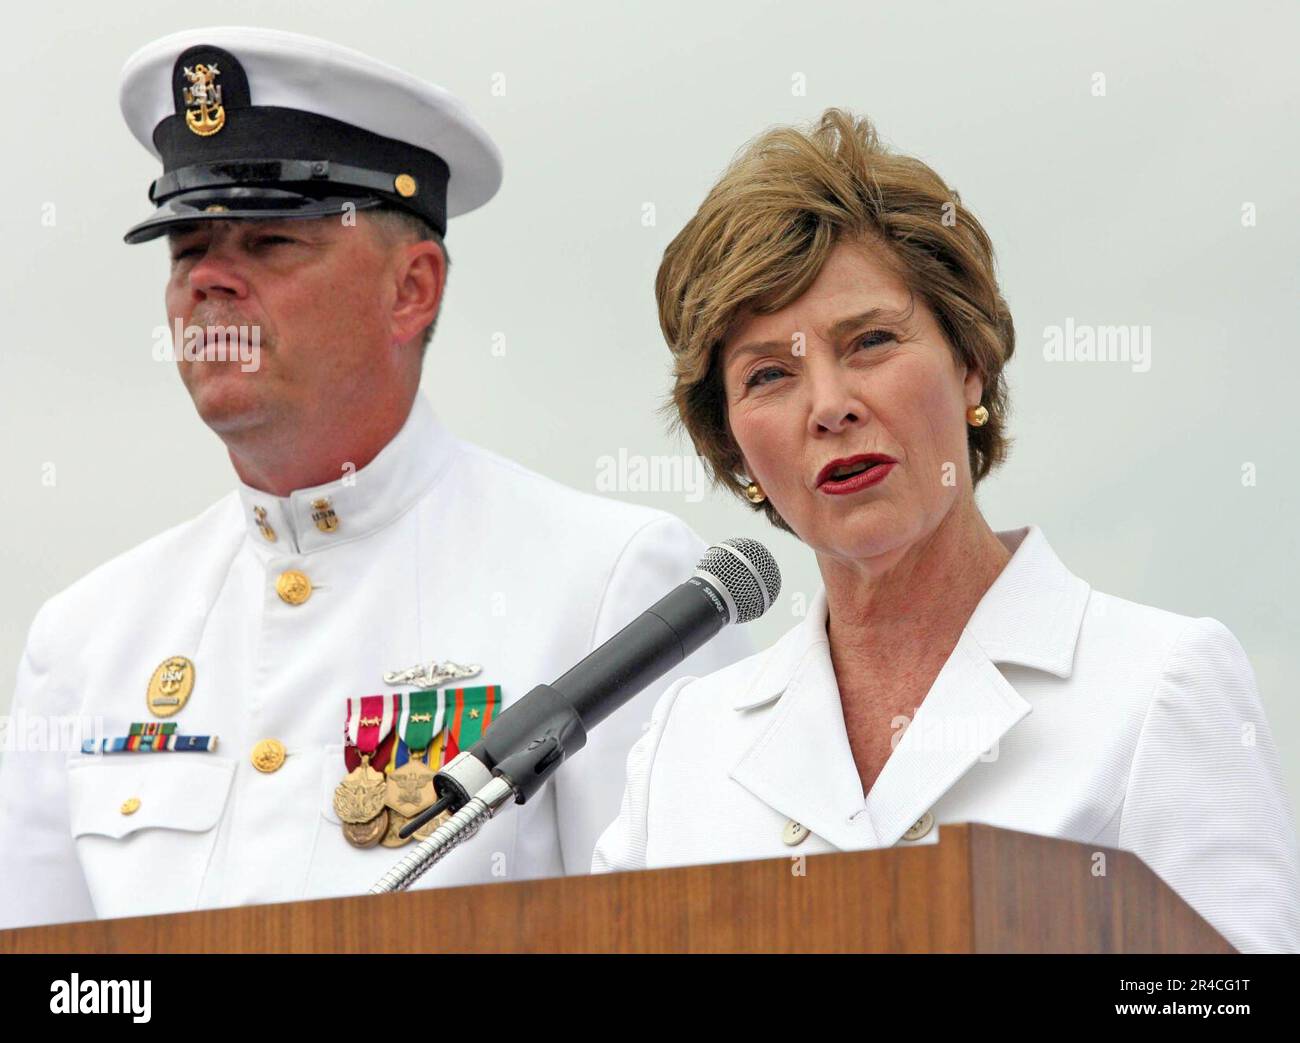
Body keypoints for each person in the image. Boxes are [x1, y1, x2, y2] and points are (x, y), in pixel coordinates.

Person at [0, 26, 752, 930]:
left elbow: (693, 938)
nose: (208, 280)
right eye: (183, 246)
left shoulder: (611, 588)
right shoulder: (85, 642)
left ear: (412, 289)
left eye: (269, 243)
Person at [592, 108, 1300, 954]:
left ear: (972, 361)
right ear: (734, 441)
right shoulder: (687, 743)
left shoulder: (1158, 683)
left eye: (871, 341)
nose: (829, 405)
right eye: (770, 375)